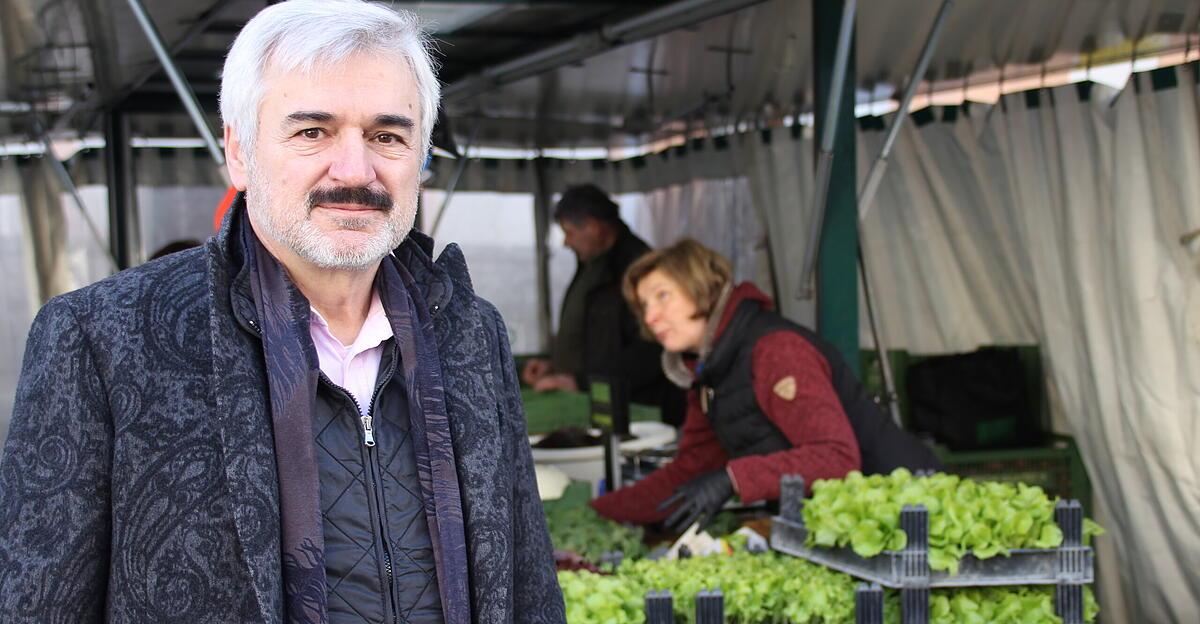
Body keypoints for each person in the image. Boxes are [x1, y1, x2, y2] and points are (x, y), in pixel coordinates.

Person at [0, 2, 563, 623]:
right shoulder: (104, 338)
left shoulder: (471, 331)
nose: (356, 171)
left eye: (387, 136)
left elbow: (529, 585)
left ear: (420, 158)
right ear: (239, 153)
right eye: (312, 132)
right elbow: (37, 606)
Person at [590, 239, 940, 532]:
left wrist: (733, 479)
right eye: (644, 306)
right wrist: (600, 511)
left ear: (701, 286)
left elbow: (835, 457)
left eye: (662, 296)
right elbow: (691, 469)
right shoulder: (708, 373)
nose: (651, 317)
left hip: (908, 515)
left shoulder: (775, 350)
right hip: (842, 523)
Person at [522, 184, 683, 424]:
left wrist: (581, 381)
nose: (566, 242)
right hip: (596, 399)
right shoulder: (593, 263)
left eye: (569, 232)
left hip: (633, 410)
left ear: (593, 227)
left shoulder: (637, 270)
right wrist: (556, 365)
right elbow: (594, 338)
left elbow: (649, 353)